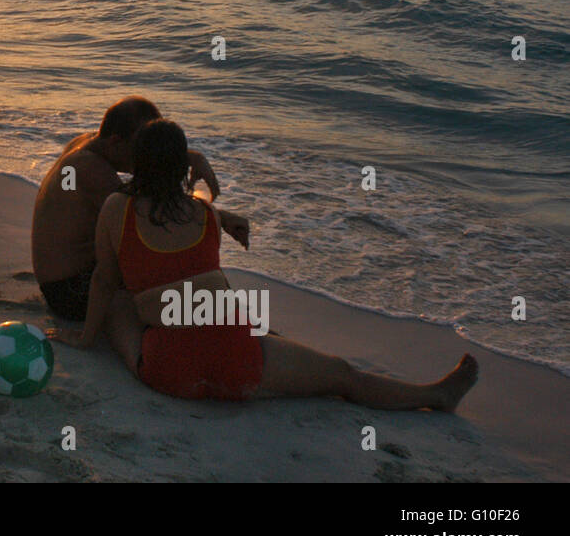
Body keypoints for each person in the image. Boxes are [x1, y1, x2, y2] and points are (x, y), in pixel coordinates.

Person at [54, 119, 479, 410]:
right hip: (240, 368)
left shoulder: (116, 209)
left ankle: (115, 338)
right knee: (344, 376)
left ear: (137, 160)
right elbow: (200, 202)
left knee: (120, 299)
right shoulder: (204, 217)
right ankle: (435, 395)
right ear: (182, 164)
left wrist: (86, 338)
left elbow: (104, 281)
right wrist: (196, 166)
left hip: (170, 373)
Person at [32, 96, 247, 322]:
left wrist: (190, 156)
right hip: (69, 292)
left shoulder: (87, 144)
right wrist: (220, 218)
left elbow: (150, 180)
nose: (149, 157)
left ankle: (227, 319)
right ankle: (229, 323)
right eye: (143, 149)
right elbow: (153, 212)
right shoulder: (87, 168)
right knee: (172, 271)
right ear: (115, 142)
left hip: (70, 278)